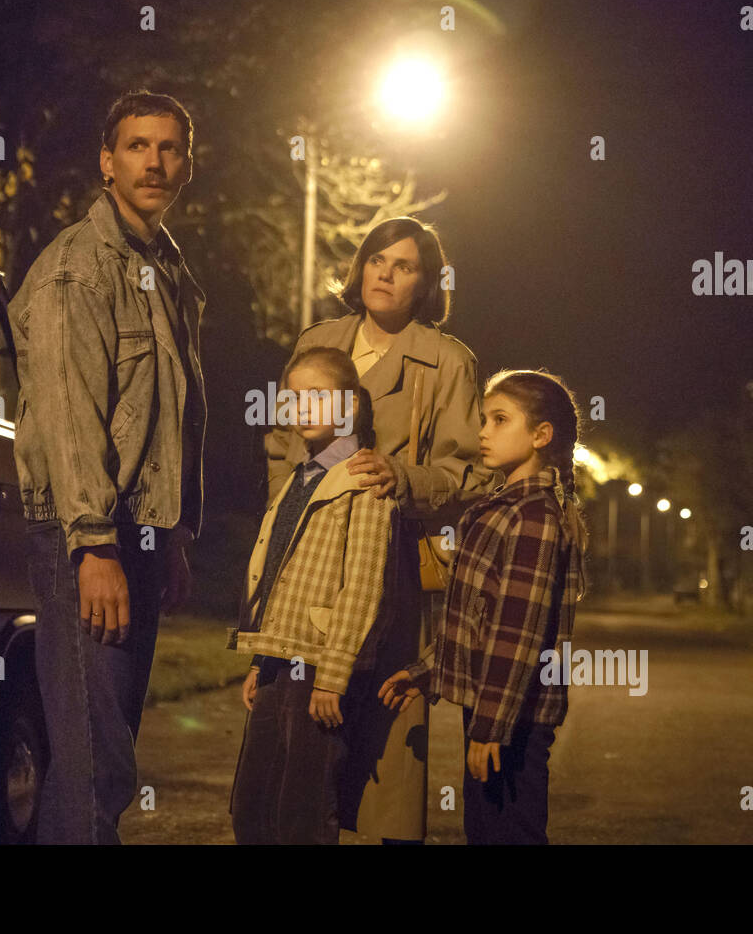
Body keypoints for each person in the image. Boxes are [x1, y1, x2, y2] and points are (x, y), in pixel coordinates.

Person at [9, 89, 206, 844]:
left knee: (107, 747)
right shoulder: (78, 268)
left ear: (187, 164)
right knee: (98, 762)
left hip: (143, 534)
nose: (154, 161)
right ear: (106, 161)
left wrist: (176, 537)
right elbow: (67, 415)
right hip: (92, 532)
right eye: (136, 146)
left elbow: (173, 419)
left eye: (169, 148)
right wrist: (93, 544)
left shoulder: (166, 270)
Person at [263, 216, 497, 843]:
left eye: (404, 266)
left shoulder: (447, 361)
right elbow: (281, 447)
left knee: (392, 743)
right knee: (300, 743)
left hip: (392, 567)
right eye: (375, 259)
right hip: (308, 567)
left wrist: (402, 475)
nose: (385, 274)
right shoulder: (319, 338)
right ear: (359, 267)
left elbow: (472, 473)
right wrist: (275, 536)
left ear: (426, 286)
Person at [381, 369, 589, 844]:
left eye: (500, 420)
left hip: (513, 718)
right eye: (484, 420)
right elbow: (477, 618)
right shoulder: (505, 508)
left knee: (509, 833)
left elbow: (516, 637)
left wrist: (491, 728)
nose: (483, 432)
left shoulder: (533, 518)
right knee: (489, 831)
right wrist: (424, 671)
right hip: (495, 709)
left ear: (541, 436)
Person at [229, 347, 396, 844]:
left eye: (315, 397)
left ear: (350, 404)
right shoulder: (296, 480)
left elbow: (363, 586)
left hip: (320, 665)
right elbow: (276, 573)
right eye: (292, 398)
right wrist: (261, 658)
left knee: (303, 800)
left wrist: (334, 677)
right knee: (254, 799)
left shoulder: (364, 480)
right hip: (280, 657)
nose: (300, 408)